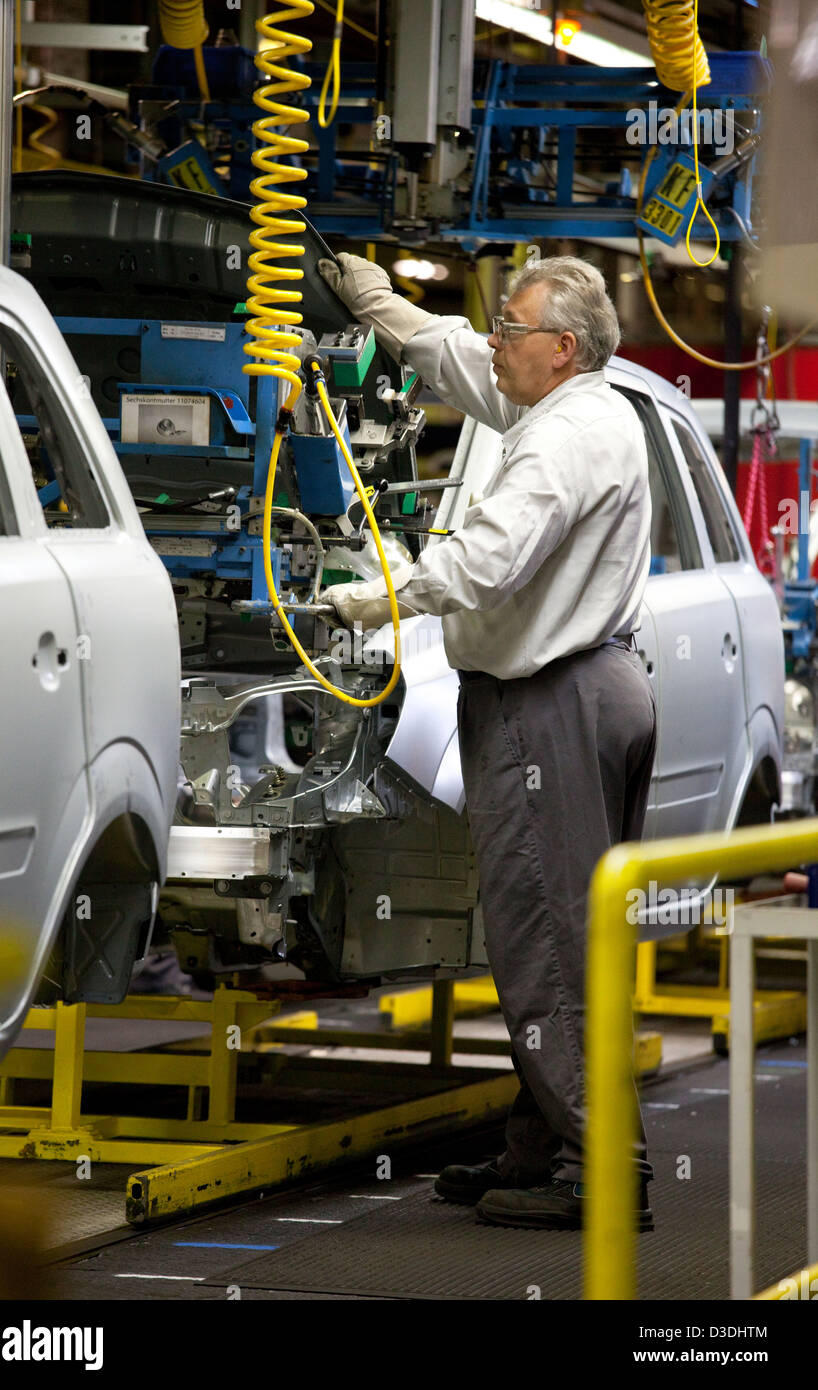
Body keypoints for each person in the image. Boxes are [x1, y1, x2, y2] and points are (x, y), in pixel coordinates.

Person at [318, 252, 657, 1230]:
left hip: (548, 703)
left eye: (510, 327)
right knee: (571, 933)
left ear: (560, 347)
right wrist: (372, 299)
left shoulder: (563, 440)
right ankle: (541, 1141)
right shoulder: (571, 407)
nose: (493, 339)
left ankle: (598, 1170)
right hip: (587, 688)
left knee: (544, 934)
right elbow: (454, 355)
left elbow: (490, 557)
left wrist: (372, 596)